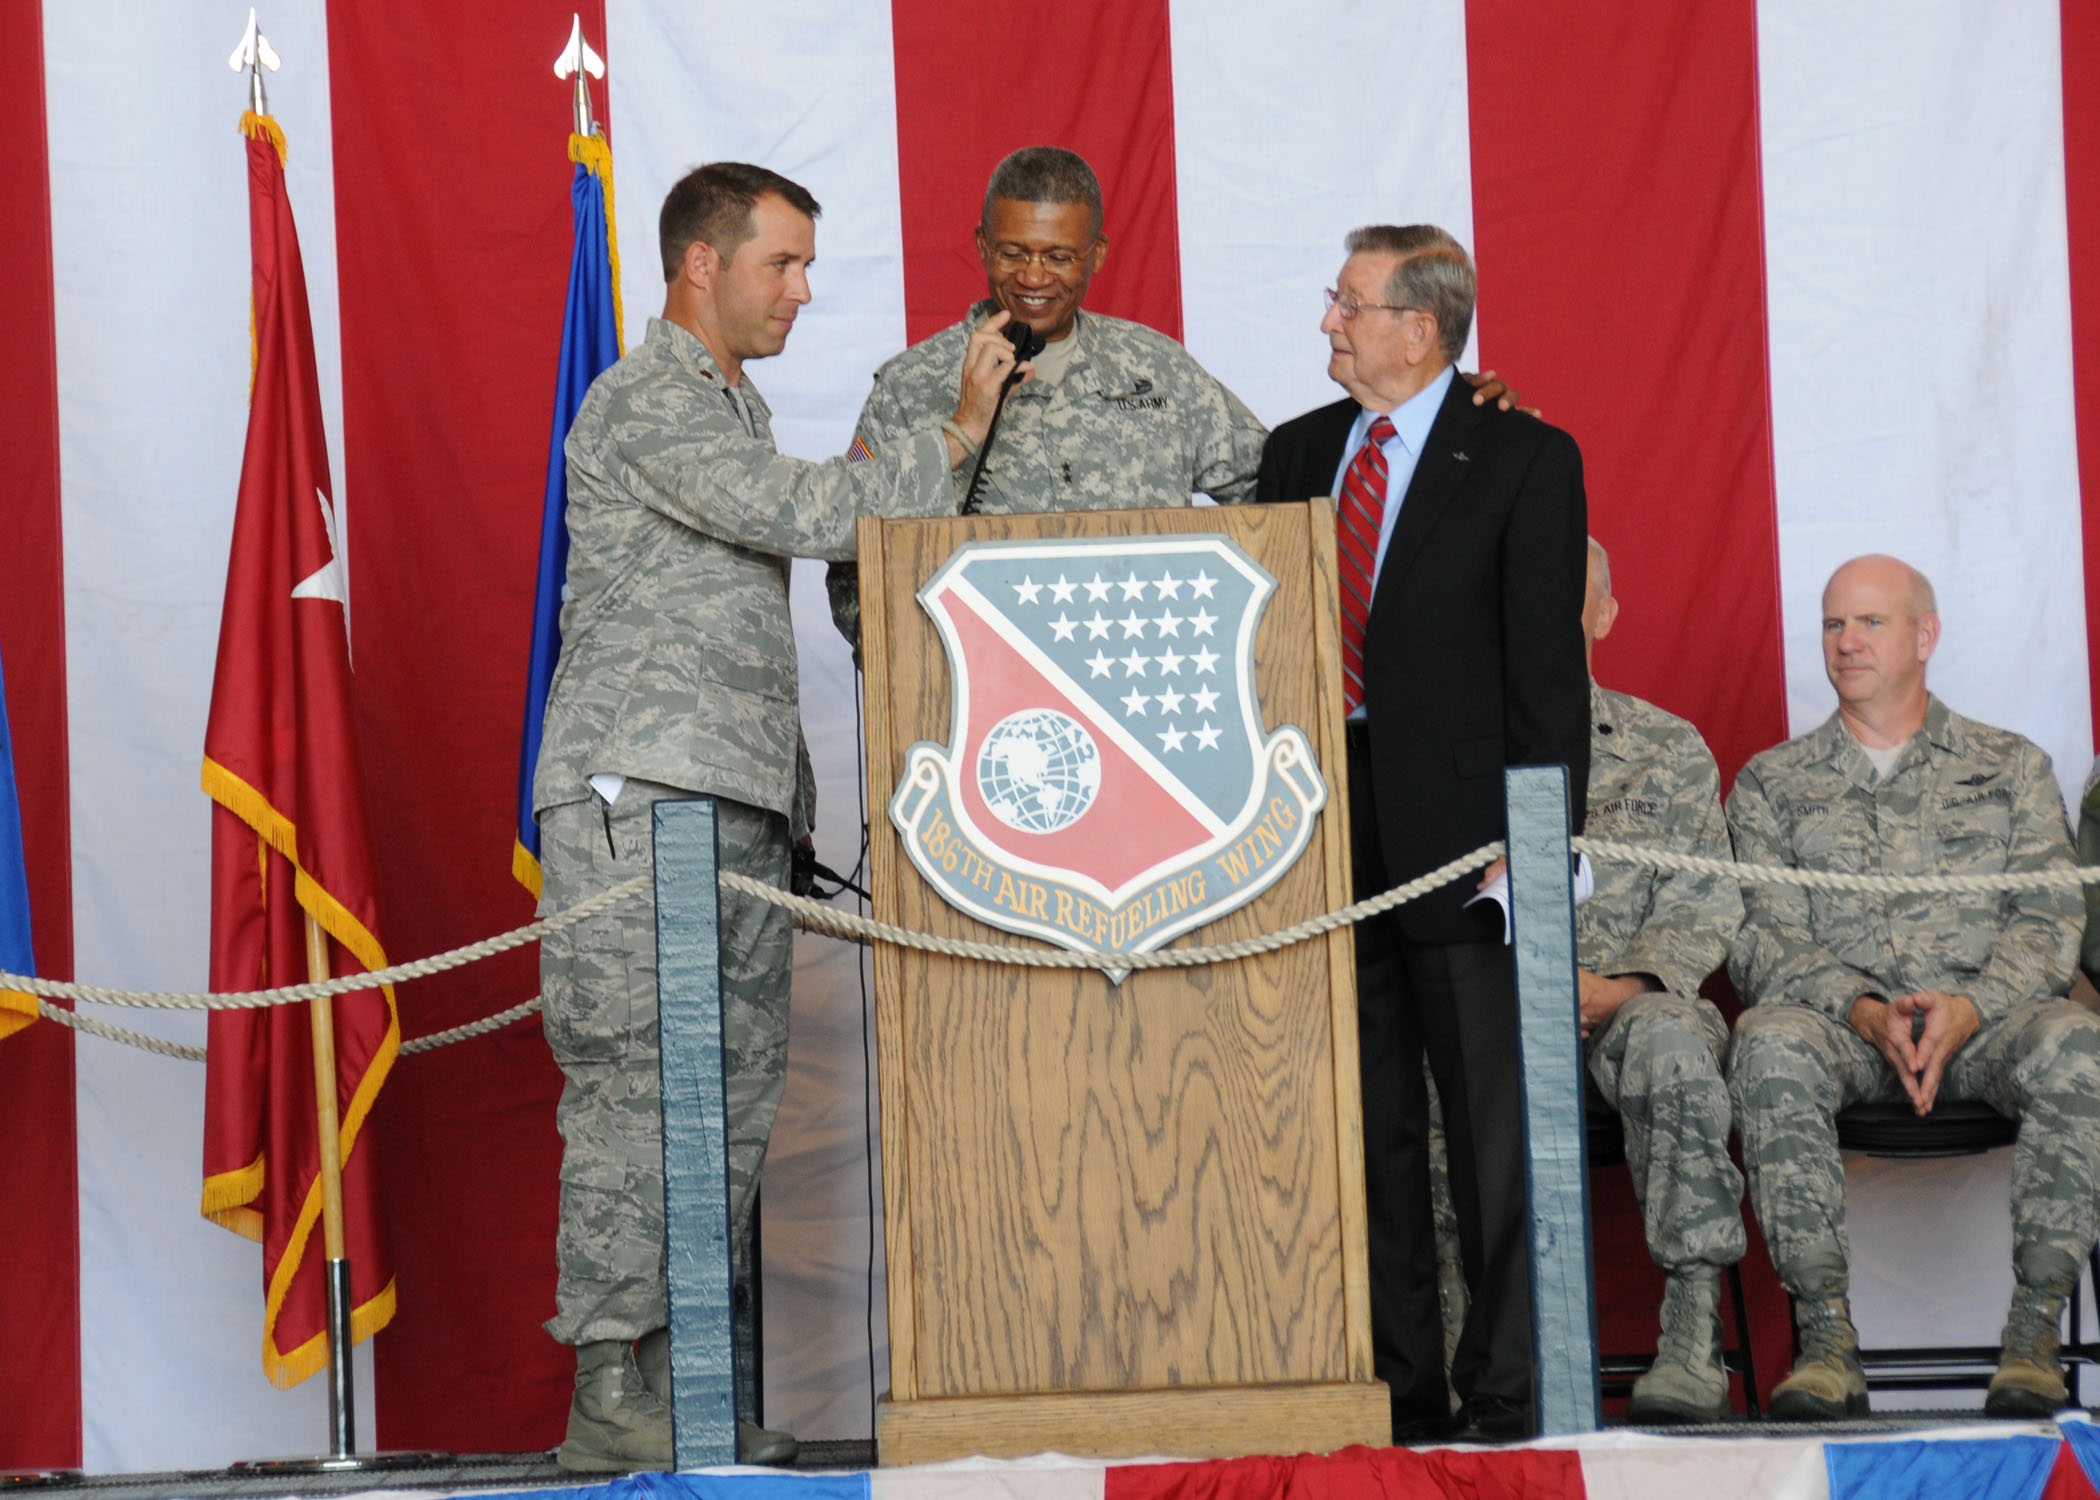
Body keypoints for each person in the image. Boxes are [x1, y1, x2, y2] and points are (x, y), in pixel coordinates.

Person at [532, 161, 1023, 1473]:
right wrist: (958, 436)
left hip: (731, 811)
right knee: (643, 1098)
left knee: (728, 1102)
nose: (801, 289)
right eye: (783, 263)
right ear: (703, 264)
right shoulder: (646, 401)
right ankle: (609, 1390)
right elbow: (810, 514)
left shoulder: (729, 407)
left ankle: (682, 1391)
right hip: (641, 806)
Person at [1257, 224, 1589, 1442]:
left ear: (1422, 327)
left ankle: (1510, 1388)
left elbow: (1548, 677)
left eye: (1349, 305)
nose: (1329, 324)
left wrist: (1536, 840)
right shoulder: (1293, 451)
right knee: (1369, 1129)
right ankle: (1403, 1389)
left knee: (1495, 1130)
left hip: (1466, 843)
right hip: (1322, 840)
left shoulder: (1523, 456)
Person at [826, 145, 1519, 644]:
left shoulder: (1160, 369)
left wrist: (1441, 413)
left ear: (1096, 254)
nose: (1033, 275)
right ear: (981, 246)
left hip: (1152, 708)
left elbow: (1289, 497)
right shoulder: (911, 386)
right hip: (971, 710)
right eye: (1013, 252)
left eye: (1059, 256)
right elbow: (852, 576)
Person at [1726, 554, 2100, 1420]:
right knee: (1768, 1041)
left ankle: (2034, 1334)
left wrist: (1970, 1008)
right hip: (1848, 1034)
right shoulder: (1770, 785)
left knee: (2076, 1042)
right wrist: (1863, 1010)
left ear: (1925, 636)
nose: (1846, 641)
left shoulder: (2012, 767)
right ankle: (1825, 1342)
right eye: (1832, 624)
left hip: (1987, 1025)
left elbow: (2050, 920)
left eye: (1870, 622)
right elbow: (1760, 939)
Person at [1571, 538, 1746, 1423]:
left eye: (1573, 595)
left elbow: (1706, 899)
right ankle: (1464, 1349)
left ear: (1604, 615)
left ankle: (1690, 1330)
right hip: (1484, 1014)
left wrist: (1620, 989)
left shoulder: (1662, 747)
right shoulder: (1441, 750)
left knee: (1676, 1042)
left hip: (1628, 1009)